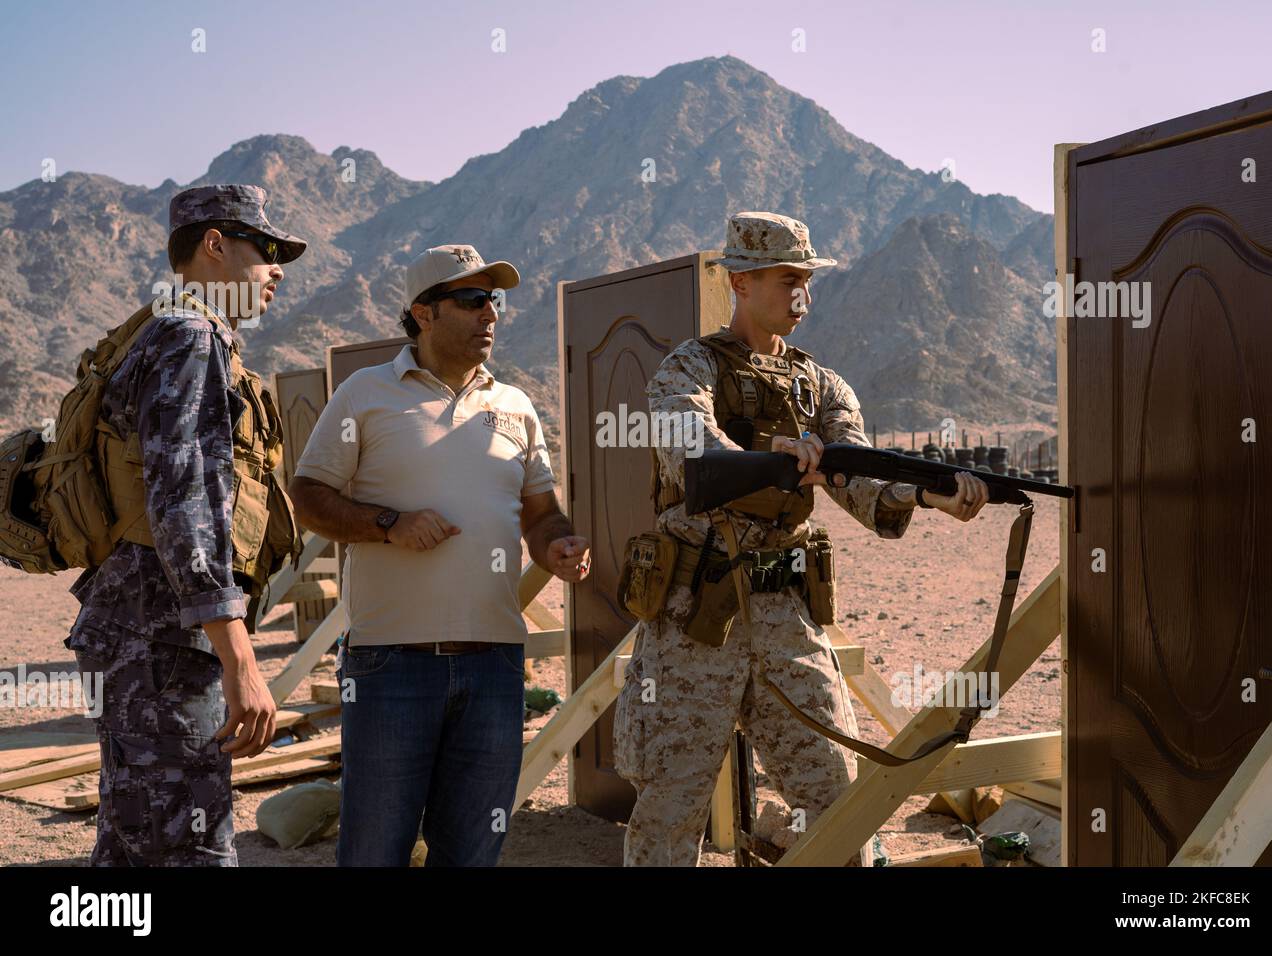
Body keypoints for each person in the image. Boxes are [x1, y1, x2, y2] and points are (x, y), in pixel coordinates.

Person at [613, 211, 991, 866]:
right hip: (694, 626)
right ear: (740, 280)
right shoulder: (688, 370)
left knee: (840, 804)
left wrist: (932, 493)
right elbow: (694, 460)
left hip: (788, 622)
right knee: (669, 815)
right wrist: (776, 453)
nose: (802, 296)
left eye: (808, 281)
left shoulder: (823, 386)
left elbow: (865, 485)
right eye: (789, 279)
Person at [289, 244, 591, 866]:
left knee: (473, 854)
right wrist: (388, 523)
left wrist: (557, 545)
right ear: (423, 314)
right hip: (388, 667)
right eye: (472, 300)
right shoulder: (364, 395)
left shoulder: (515, 406)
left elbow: (542, 514)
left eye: (495, 301)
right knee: (375, 850)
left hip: (495, 669)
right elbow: (309, 498)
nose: (491, 315)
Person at [64, 184, 306, 865]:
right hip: (165, 641)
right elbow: (185, 500)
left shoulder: (163, 332)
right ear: (214, 245)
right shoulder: (191, 336)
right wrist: (239, 658)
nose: (278, 268)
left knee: (133, 845)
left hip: (138, 630)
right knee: (191, 846)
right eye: (266, 249)